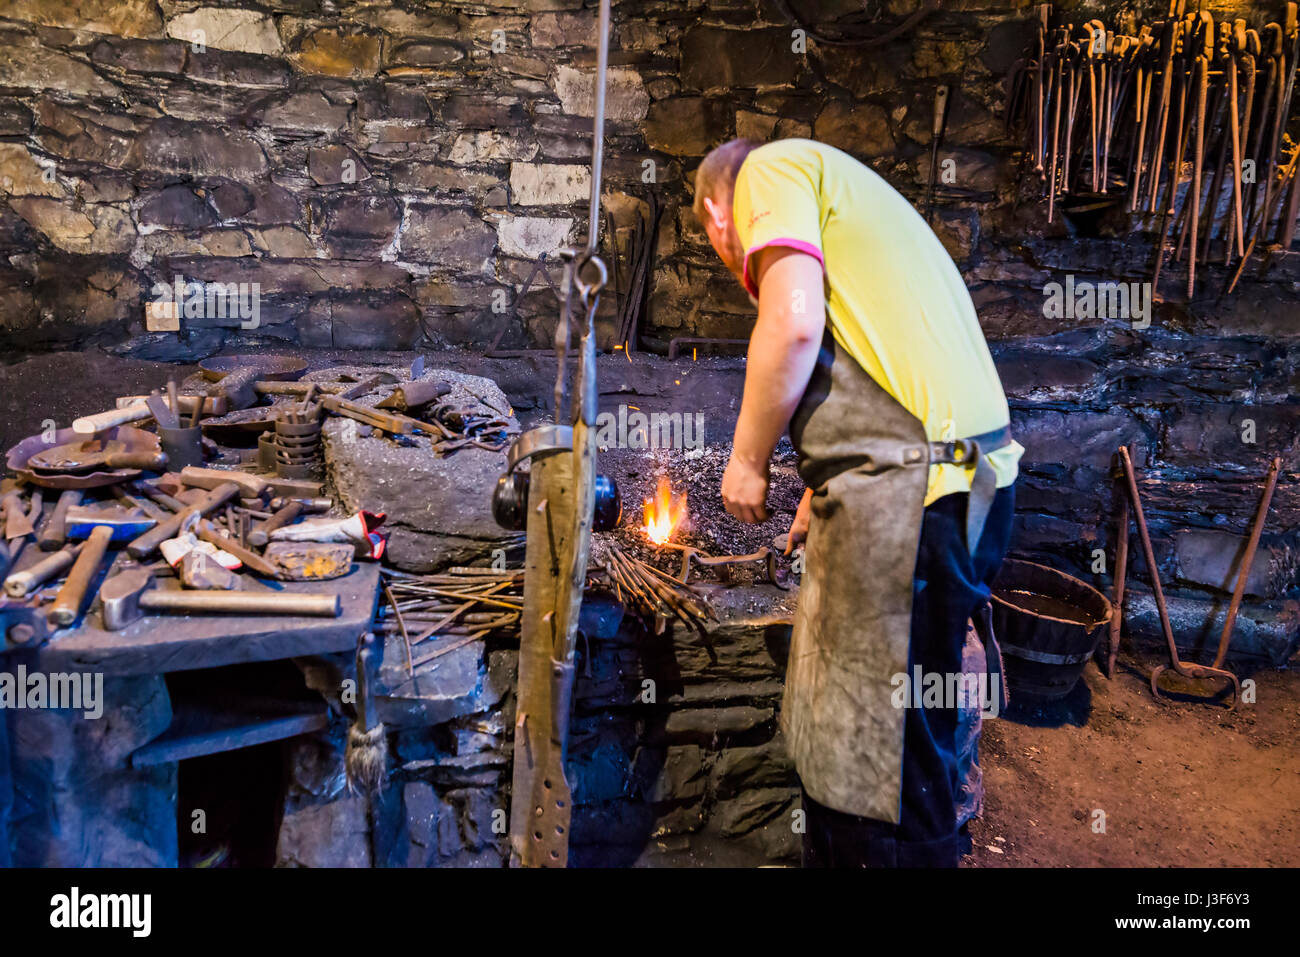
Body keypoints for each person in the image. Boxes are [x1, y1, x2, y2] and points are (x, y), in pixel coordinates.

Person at [694, 137, 1022, 867]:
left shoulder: (768, 171)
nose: (730, 260)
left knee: (874, 753)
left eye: (716, 241)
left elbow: (795, 324)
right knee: (915, 732)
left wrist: (747, 460)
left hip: (913, 497)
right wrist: (820, 482)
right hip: (968, 481)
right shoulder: (854, 197)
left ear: (717, 212)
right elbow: (884, 360)